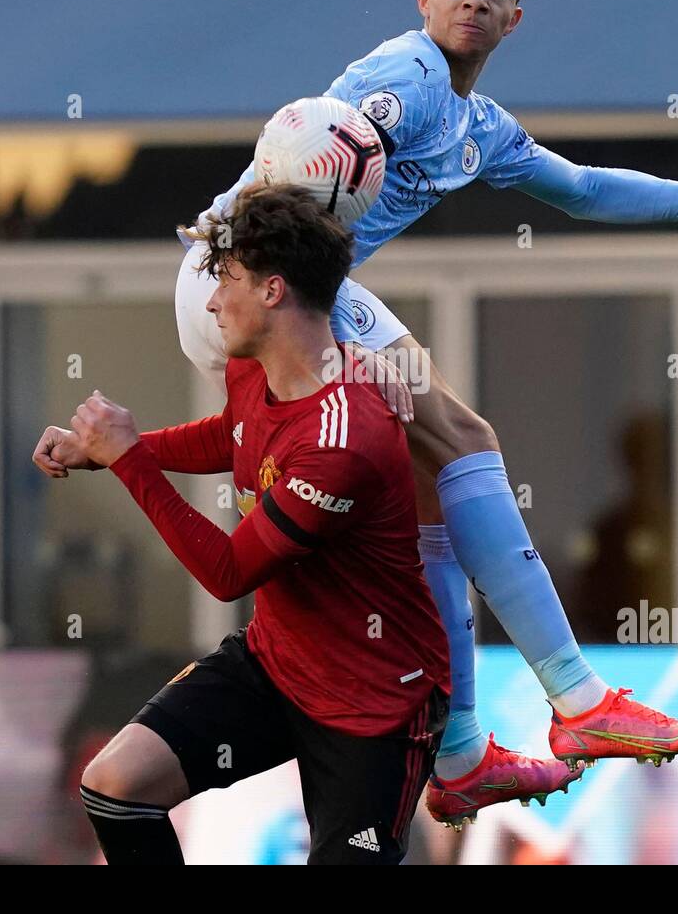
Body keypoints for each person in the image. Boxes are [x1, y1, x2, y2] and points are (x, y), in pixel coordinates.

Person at [172, 0, 678, 813]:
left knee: (429, 493)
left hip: (288, 291)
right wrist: (241, 252)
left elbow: (586, 190)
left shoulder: (479, 127)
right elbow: (300, 158)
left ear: (516, 17)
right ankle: (580, 701)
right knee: (461, 431)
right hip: (248, 280)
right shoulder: (400, 81)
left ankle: (458, 753)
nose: (476, 0)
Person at [36, 185, 574, 860]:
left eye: (224, 279)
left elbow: (228, 571)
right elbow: (233, 435)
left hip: (376, 707)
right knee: (115, 784)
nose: (209, 302)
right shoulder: (250, 372)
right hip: (278, 664)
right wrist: (112, 451)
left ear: (272, 290)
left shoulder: (345, 436)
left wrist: (128, 461)